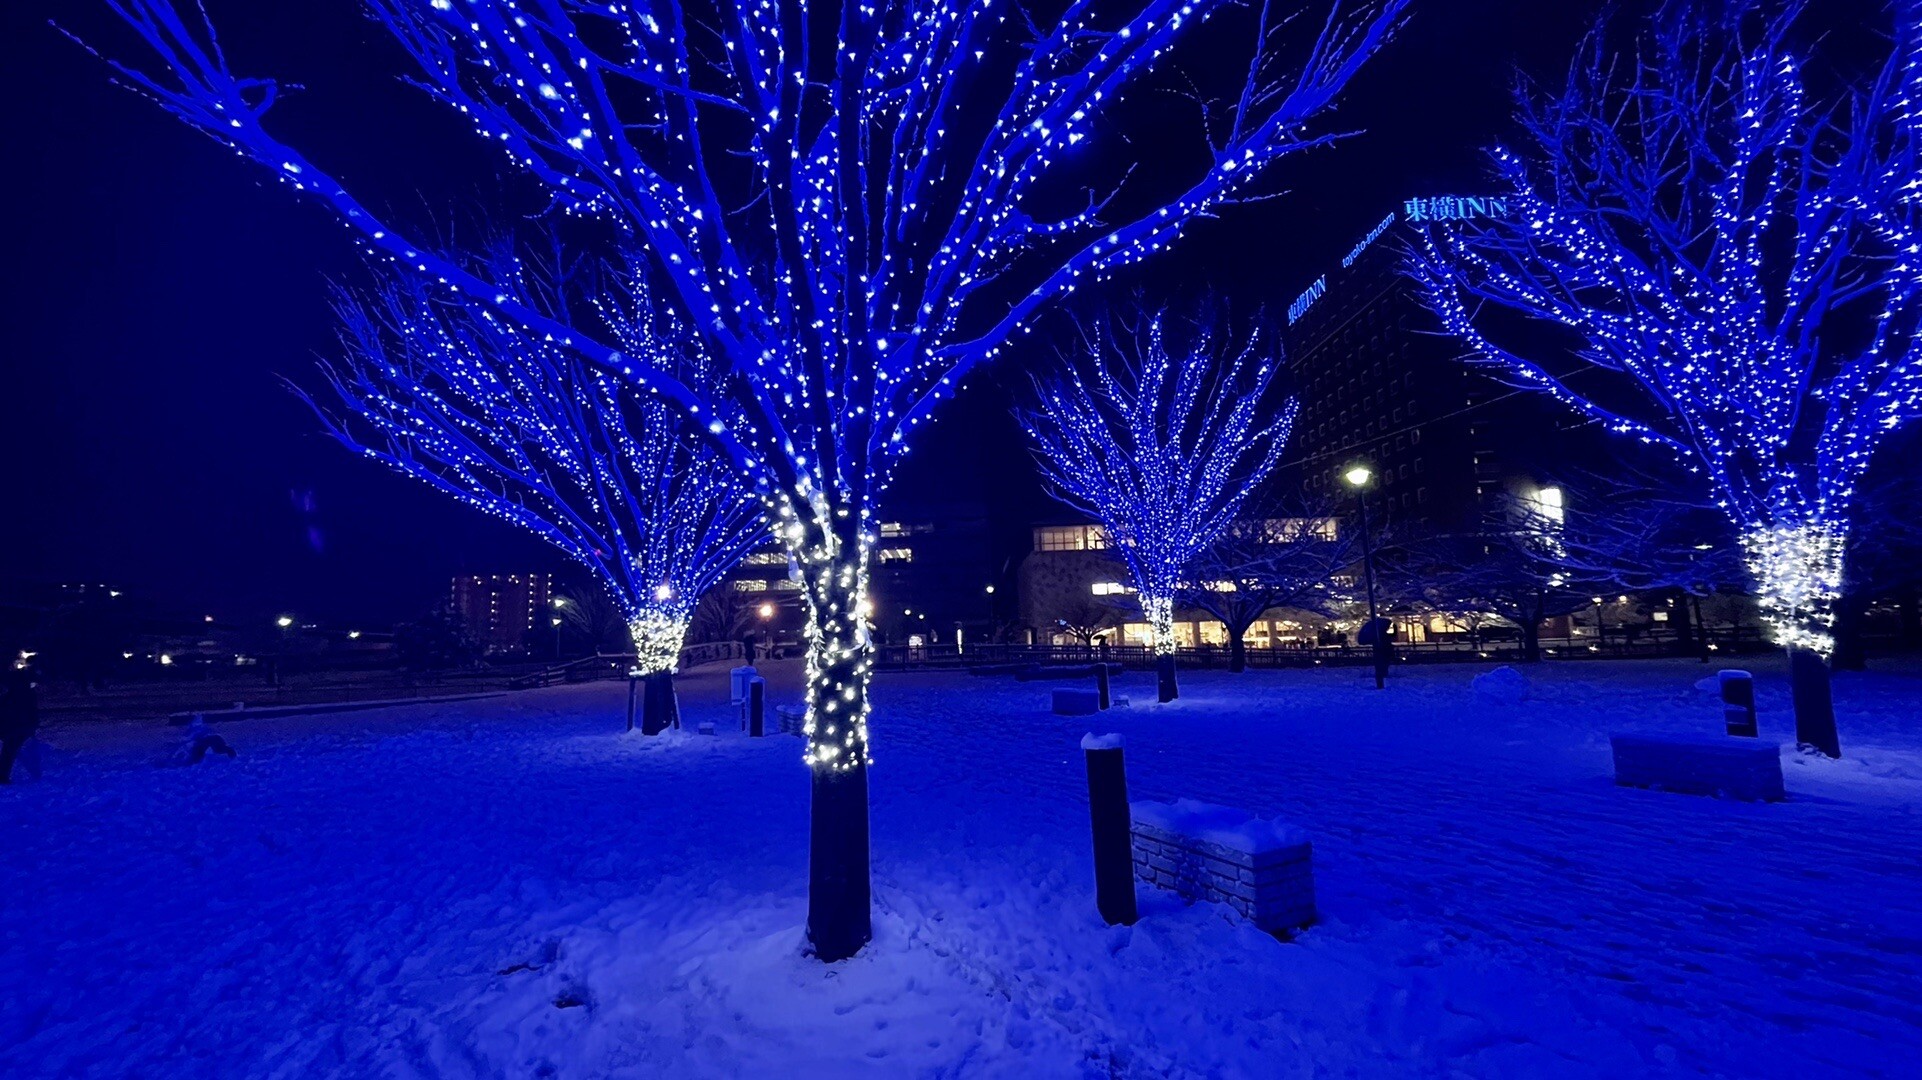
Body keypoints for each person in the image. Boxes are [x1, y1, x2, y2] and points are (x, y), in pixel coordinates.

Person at [0, 660, 40, 784]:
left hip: (16, 724)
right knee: (12, 749)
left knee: (10, 750)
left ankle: (3, 775)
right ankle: (4, 774)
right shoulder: (26, 691)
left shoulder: (14, 692)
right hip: (21, 724)